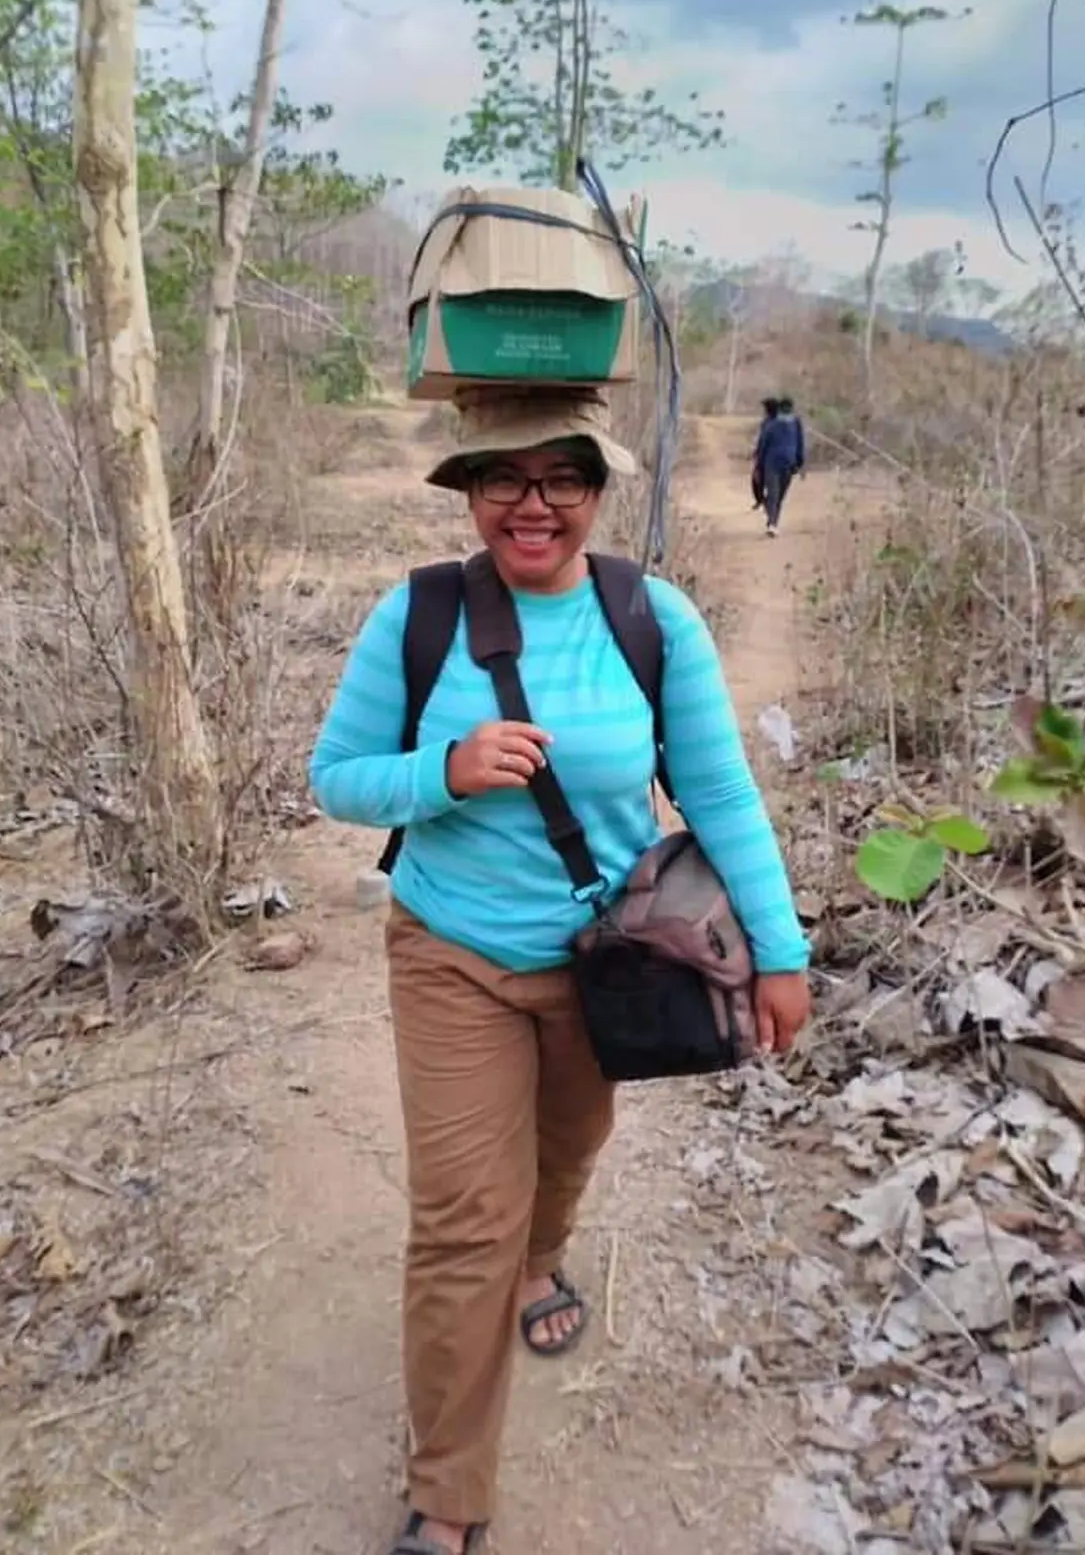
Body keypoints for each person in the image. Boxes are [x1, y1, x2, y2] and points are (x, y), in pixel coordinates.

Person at [308, 402, 812, 1555]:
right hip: (451, 957)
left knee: (567, 1146)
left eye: (560, 477)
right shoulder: (420, 614)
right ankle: (449, 1492)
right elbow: (333, 778)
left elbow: (718, 792)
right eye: (503, 477)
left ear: (597, 491)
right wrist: (445, 768)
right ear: (468, 490)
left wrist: (779, 952)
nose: (531, 502)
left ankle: (544, 1256)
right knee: (460, 1223)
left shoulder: (648, 617)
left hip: (605, 963)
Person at [753, 393, 807, 536]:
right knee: (774, 494)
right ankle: (772, 523)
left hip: (787, 465)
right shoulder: (772, 424)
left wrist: (800, 463)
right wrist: (759, 465)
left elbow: (800, 444)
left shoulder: (795, 423)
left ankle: (772, 519)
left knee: (779, 495)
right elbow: (763, 446)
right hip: (772, 465)